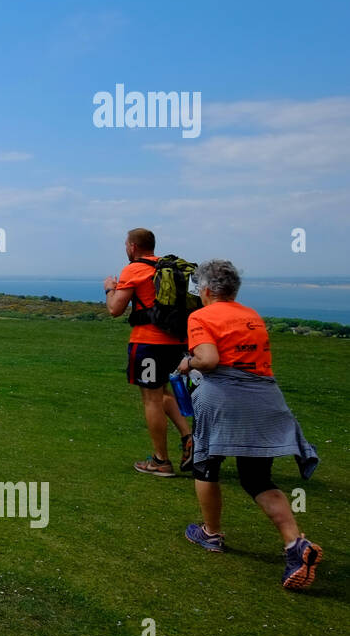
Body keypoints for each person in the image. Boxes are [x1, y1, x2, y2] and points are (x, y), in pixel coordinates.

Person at [178, 259, 321, 589]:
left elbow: (210, 360)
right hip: (265, 399)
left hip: (223, 398)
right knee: (257, 477)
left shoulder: (201, 316)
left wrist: (189, 362)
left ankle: (211, 534)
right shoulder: (251, 315)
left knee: (206, 465)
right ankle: (294, 544)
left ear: (208, 289)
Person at [103, 228, 194, 476]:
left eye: (126, 244)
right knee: (163, 392)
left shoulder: (133, 269)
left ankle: (160, 461)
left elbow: (115, 309)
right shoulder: (167, 267)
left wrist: (110, 288)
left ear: (132, 246)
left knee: (151, 399)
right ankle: (188, 438)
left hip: (149, 344)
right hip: (177, 343)